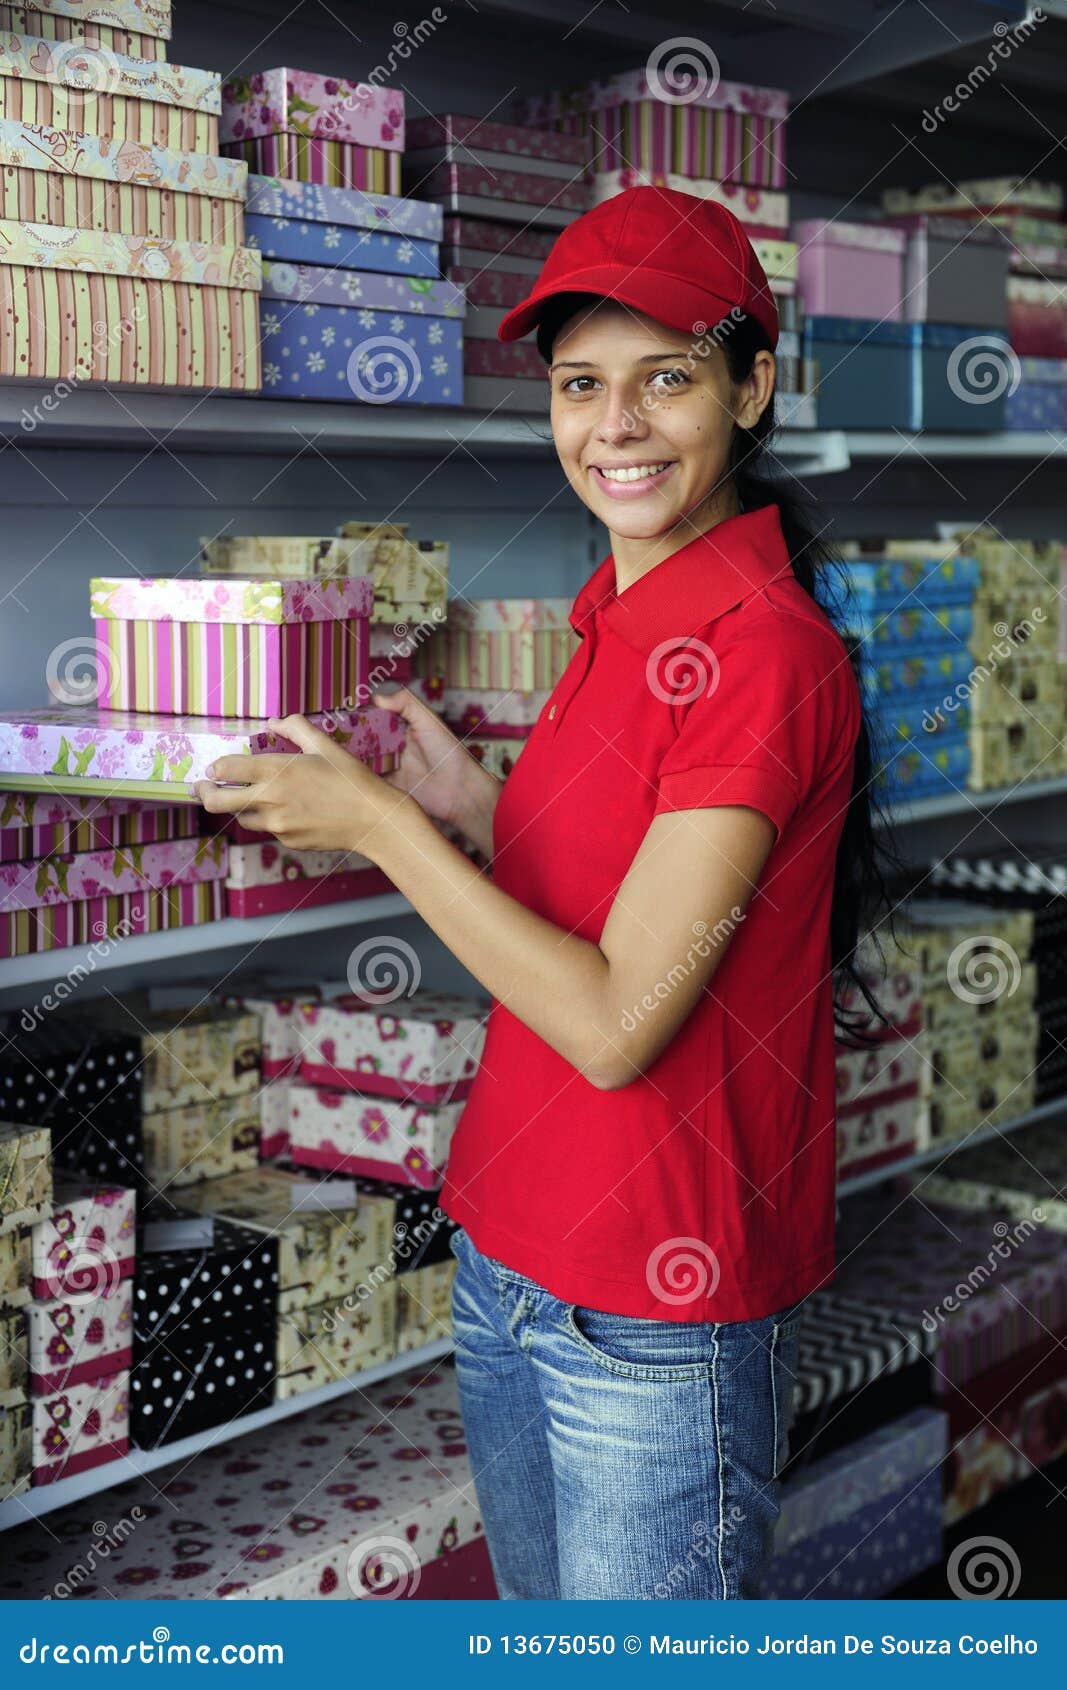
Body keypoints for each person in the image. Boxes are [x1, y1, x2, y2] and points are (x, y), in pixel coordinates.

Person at [198, 186, 893, 1601]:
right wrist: (476, 805)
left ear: (753, 386)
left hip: (653, 1306)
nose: (616, 424)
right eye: (581, 384)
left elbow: (618, 1017)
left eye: (668, 379)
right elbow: (623, 889)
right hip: (514, 1254)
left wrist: (388, 829)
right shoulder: (618, 613)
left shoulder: (762, 652)